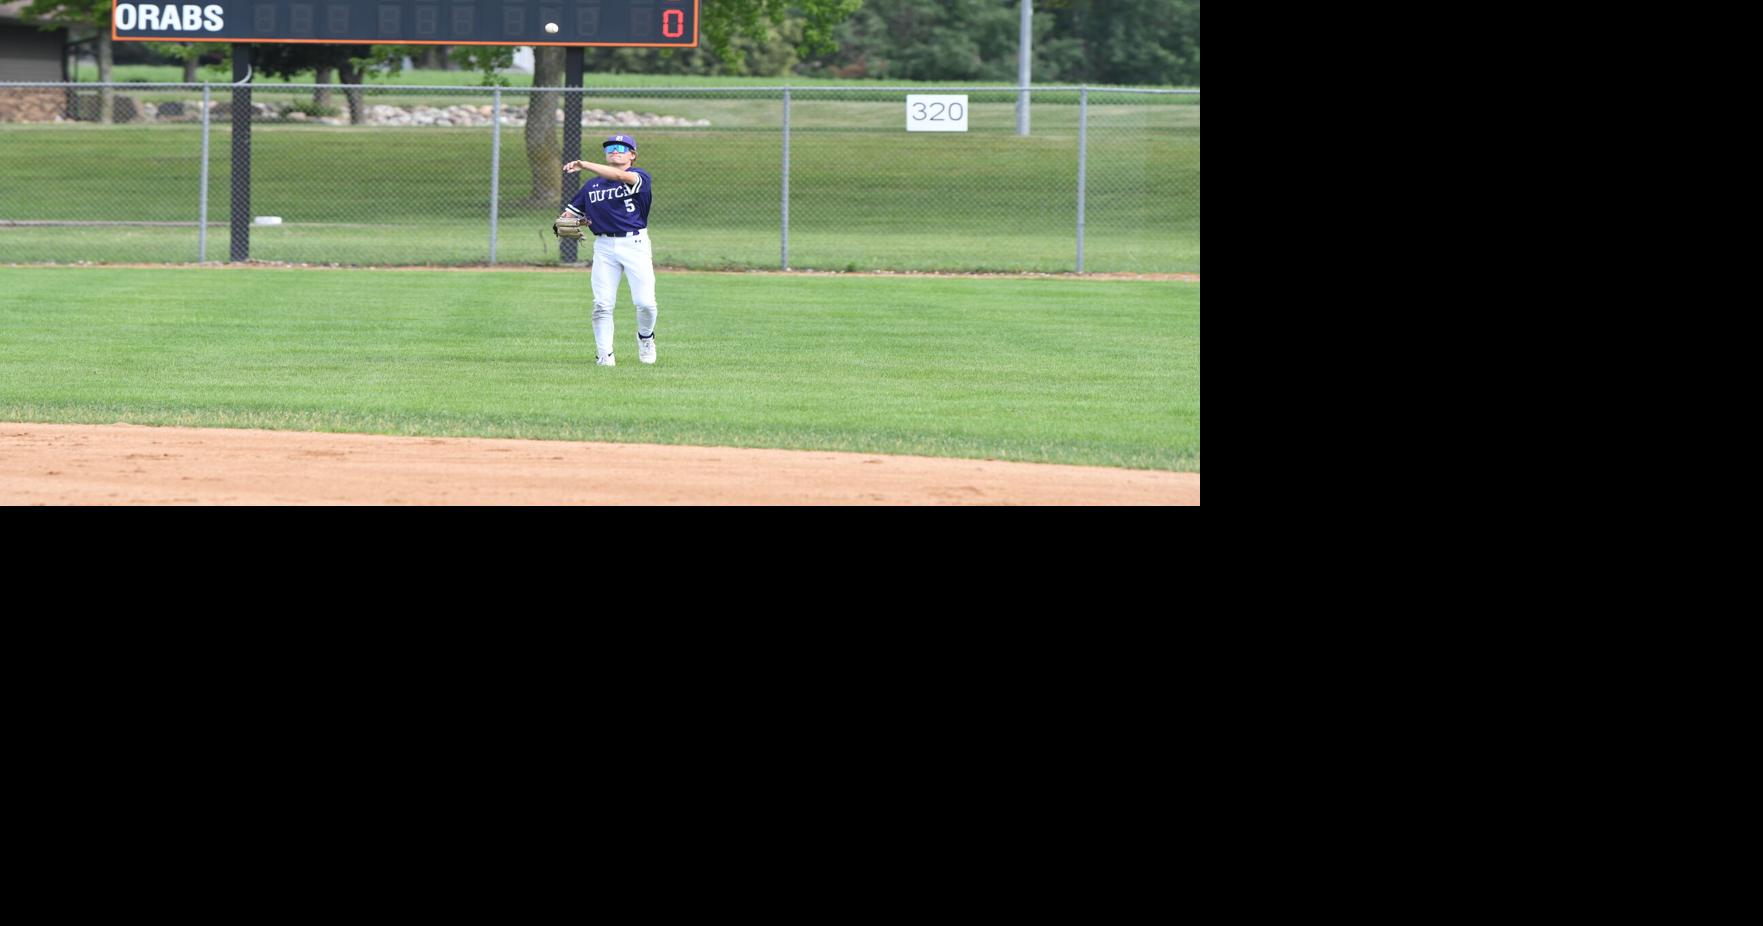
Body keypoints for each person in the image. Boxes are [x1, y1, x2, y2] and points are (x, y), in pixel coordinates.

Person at [560, 134, 657, 366]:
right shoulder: (591, 186)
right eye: (611, 148)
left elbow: (618, 175)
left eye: (622, 148)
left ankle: (645, 337)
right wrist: (568, 222)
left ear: (632, 155)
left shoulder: (639, 176)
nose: (615, 151)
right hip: (604, 247)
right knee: (602, 304)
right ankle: (605, 355)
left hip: (635, 244)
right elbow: (568, 216)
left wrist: (584, 164)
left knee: (645, 303)